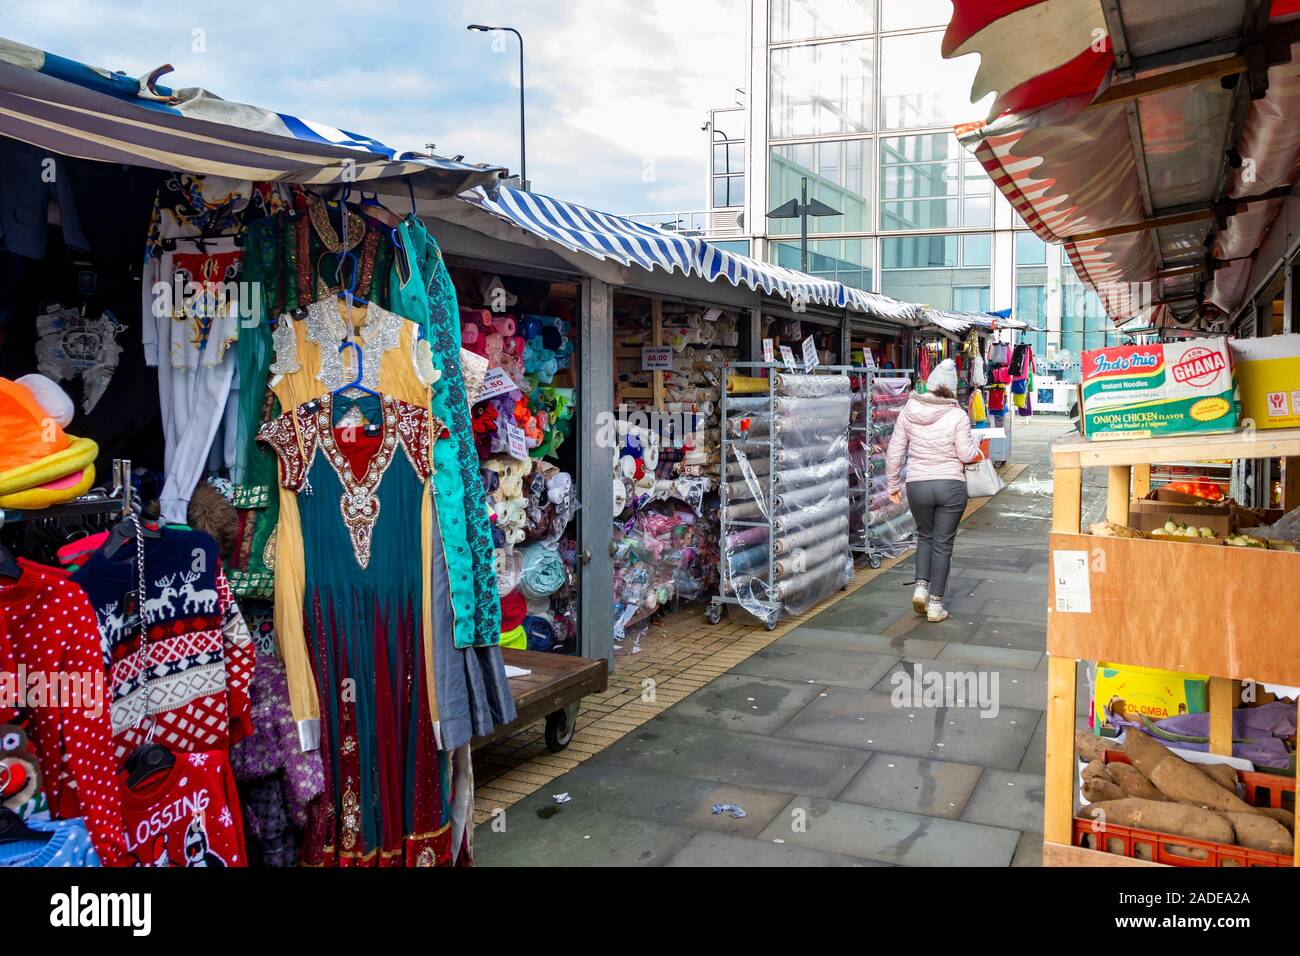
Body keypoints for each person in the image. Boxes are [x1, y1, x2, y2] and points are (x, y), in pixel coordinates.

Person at [884, 359, 983, 622]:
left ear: (929, 384)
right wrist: (977, 449)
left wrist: (893, 484)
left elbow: (895, 450)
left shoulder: (909, 409)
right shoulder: (957, 415)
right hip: (950, 485)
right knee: (943, 544)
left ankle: (920, 588)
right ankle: (936, 606)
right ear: (951, 389)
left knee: (925, 536)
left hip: (917, 484)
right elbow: (965, 453)